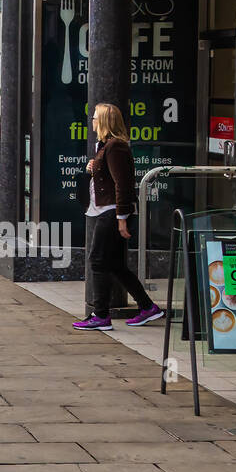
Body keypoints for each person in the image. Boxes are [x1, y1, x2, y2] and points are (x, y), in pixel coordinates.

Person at [73, 102, 163, 331]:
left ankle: (101, 315)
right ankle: (147, 307)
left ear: (104, 121)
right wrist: (92, 167)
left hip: (112, 212)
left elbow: (123, 185)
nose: (91, 121)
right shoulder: (106, 146)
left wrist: (122, 218)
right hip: (106, 210)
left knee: (97, 260)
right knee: (114, 264)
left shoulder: (116, 147)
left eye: (94, 118)